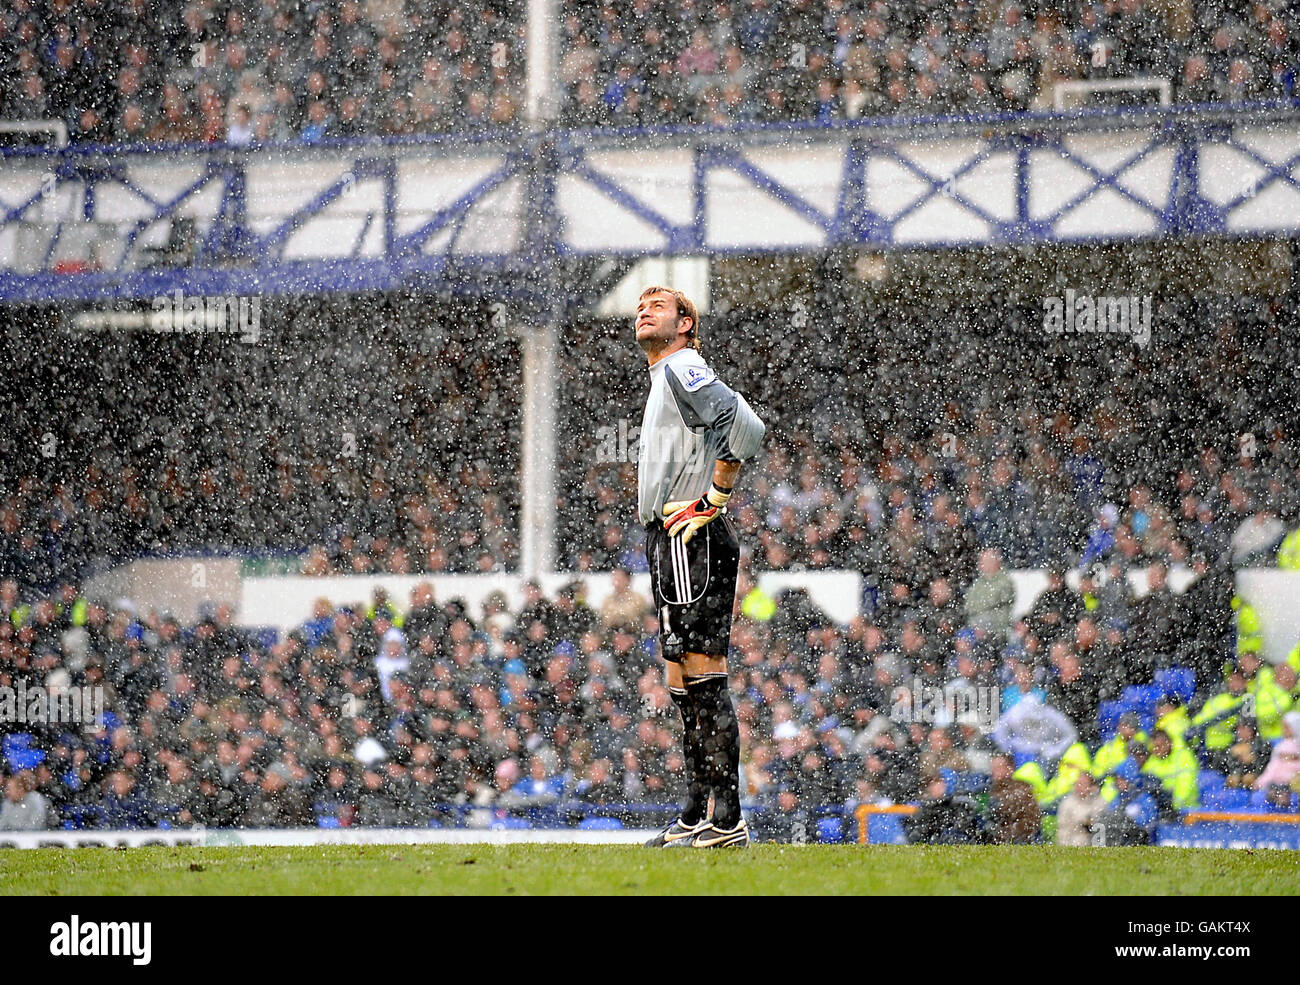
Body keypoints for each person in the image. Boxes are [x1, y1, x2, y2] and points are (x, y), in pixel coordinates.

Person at [634, 285, 765, 848]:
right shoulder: (666, 375)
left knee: (704, 674)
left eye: (658, 306)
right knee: (682, 680)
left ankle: (728, 818)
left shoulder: (683, 366)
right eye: (640, 306)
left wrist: (716, 495)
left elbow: (747, 427)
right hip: (669, 537)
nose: (644, 311)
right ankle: (694, 813)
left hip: (693, 535)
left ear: (685, 324)